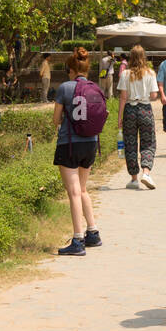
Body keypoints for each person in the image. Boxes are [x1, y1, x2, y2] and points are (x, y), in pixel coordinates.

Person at [52, 46, 103, 256]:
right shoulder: (95, 87)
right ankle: (93, 232)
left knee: (73, 192)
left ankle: (77, 239)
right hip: (91, 142)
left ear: (71, 70)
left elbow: (56, 120)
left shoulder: (65, 88)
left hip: (70, 144)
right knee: (82, 189)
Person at [117, 45, 159, 189]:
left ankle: (134, 178)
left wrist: (120, 117)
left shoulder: (125, 74)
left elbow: (123, 97)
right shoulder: (150, 73)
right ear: (144, 57)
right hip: (145, 109)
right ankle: (146, 173)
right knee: (148, 142)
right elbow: (154, 95)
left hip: (130, 109)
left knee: (130, 143)